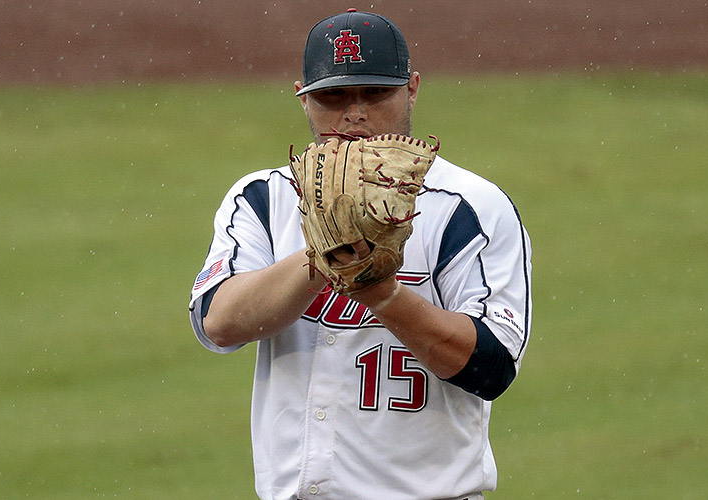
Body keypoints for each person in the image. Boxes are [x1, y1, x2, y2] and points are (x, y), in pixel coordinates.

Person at [189, 9, 532, 500]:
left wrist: (383, 295)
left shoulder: (469, 207)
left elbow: (491, 366)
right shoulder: (264, 199)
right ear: (303, 98)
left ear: (412, 89)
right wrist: (319, 258)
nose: (354, 114)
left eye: (374, 93)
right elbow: (217, 324)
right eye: (333, 96)